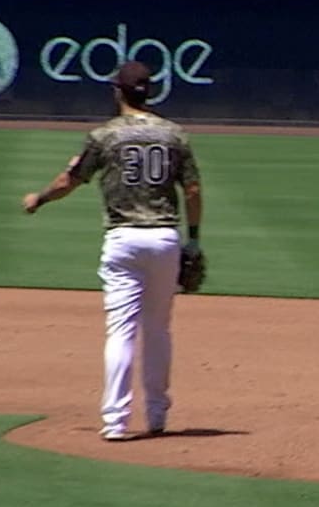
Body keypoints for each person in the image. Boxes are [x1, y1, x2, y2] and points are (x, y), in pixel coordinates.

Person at [21, 61, 205, 441]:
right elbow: (192, 190)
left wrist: (39, 198)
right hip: (164, 238)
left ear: (117, 91)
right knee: (158, 330)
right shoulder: (174, 135)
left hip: (123, 240)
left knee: (121, 331)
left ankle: (115, 422)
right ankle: (157, 415)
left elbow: (69, 180)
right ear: (149, 92)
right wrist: (194, 238)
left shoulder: (104, 136)